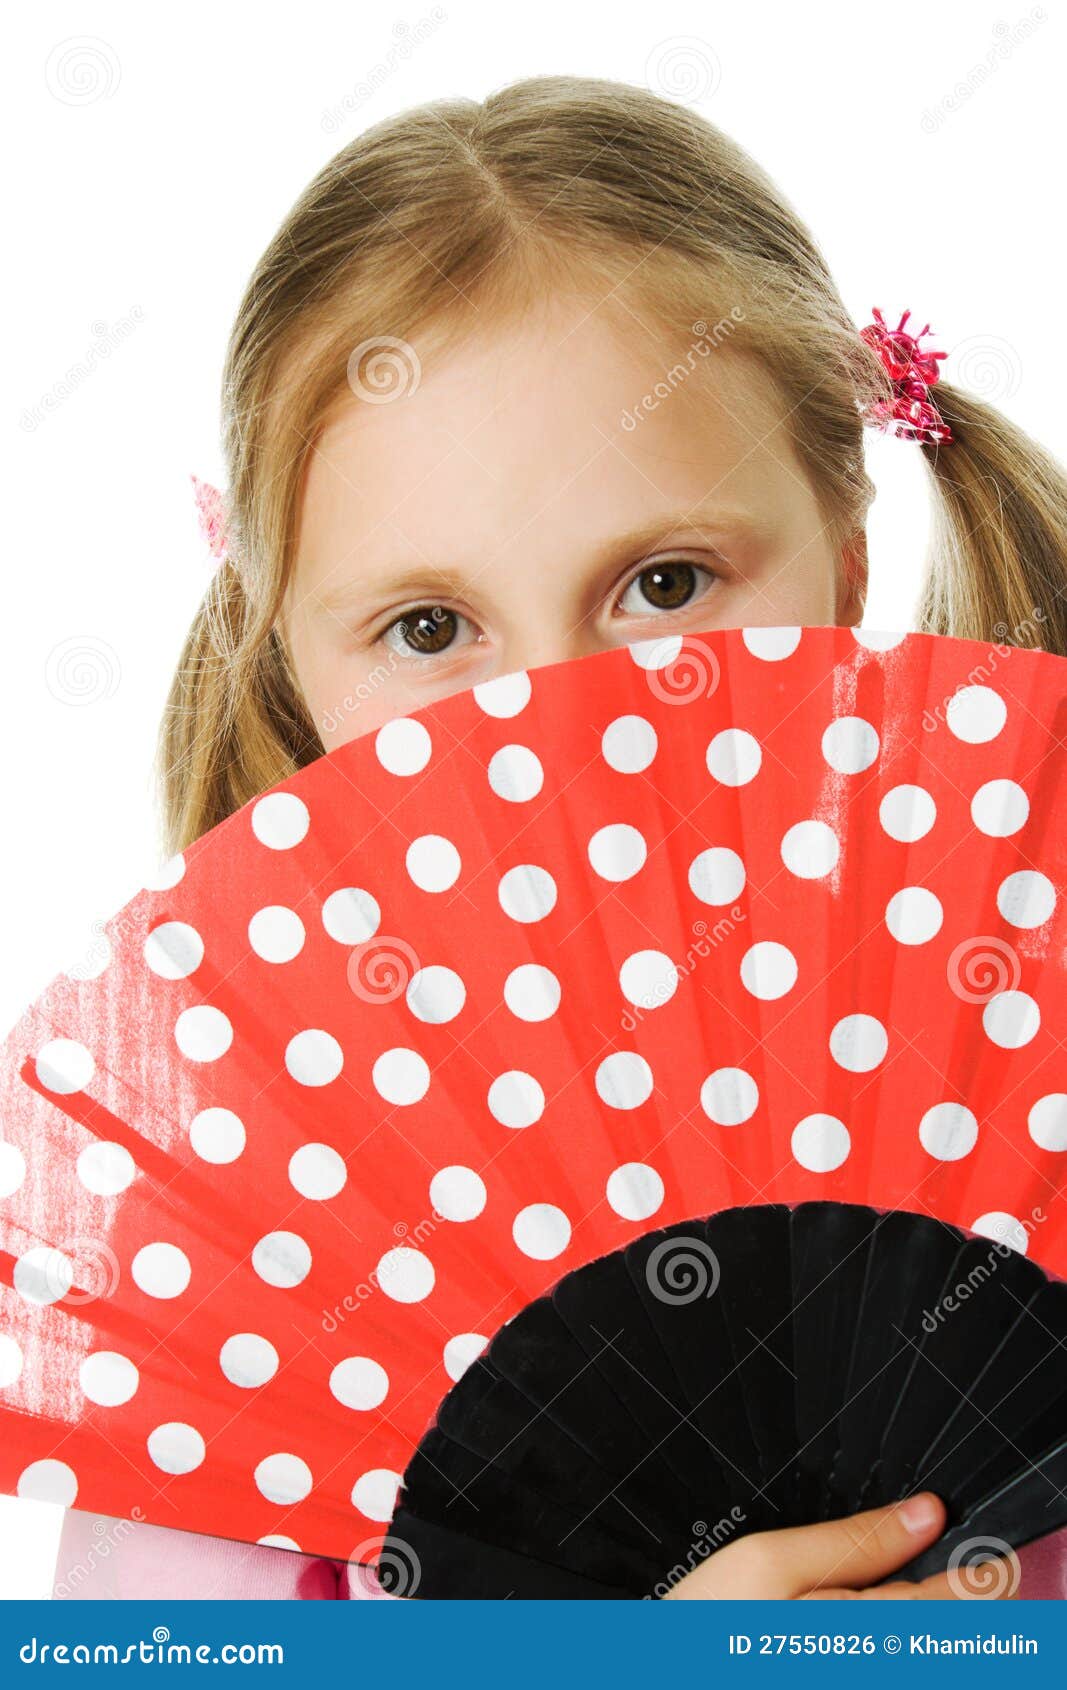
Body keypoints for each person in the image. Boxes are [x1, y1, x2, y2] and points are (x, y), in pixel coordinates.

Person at [55, 74, 1067, 1600]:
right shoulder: (241, 1269)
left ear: (848, 566)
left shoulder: (1020, 1058)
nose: (554, 726)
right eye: (429, 624)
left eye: (664, 583)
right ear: (294, 664)